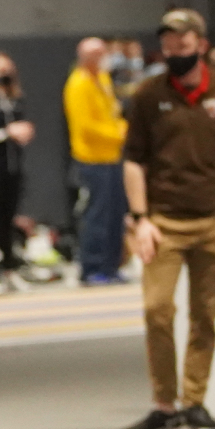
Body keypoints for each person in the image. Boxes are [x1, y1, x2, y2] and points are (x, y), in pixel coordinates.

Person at [121, 8, 215, 429]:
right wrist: (141, 219)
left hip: (213, 218)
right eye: (168, 46)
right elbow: (133, 160)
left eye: (183, 45)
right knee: (157, 310)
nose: (175, 53)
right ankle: (164, 403)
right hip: (163, 221)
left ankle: (195, 401)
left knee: (204, 316)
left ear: (201, 46)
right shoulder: (147, 95)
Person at [65, 37, 129, 285]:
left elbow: (112, 112)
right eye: (98, 54)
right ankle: (92, 267)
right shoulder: (78, 84)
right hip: (91, 160)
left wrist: (122, 128)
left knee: (115, 215)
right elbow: (86, 127)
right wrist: (119, 134)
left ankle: (111, 265)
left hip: (112, 157)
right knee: (97, 216)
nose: (104, 58)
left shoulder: (102, 79)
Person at [0, 51, 35, 285]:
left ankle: (10, 265)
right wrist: (5, 134)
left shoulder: (14, 98)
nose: (4, 73)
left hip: (13, 167)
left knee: (9, 216)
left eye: (7, 68)